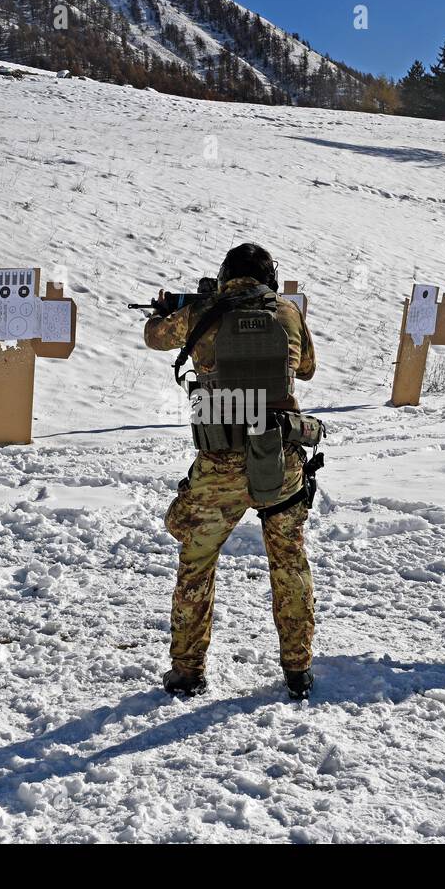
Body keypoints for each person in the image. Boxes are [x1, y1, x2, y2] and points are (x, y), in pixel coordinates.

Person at [143, 243, 323, 699]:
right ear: (269, 278)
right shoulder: (286, 312)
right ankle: (298, 672)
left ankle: (187, 672)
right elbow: (307, 369)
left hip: (220, 462)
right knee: (289, 563)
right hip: (278, 458)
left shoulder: (204, 312)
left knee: (196, 564)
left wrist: (169, 310)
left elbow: (155, 337)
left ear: (226, 276)